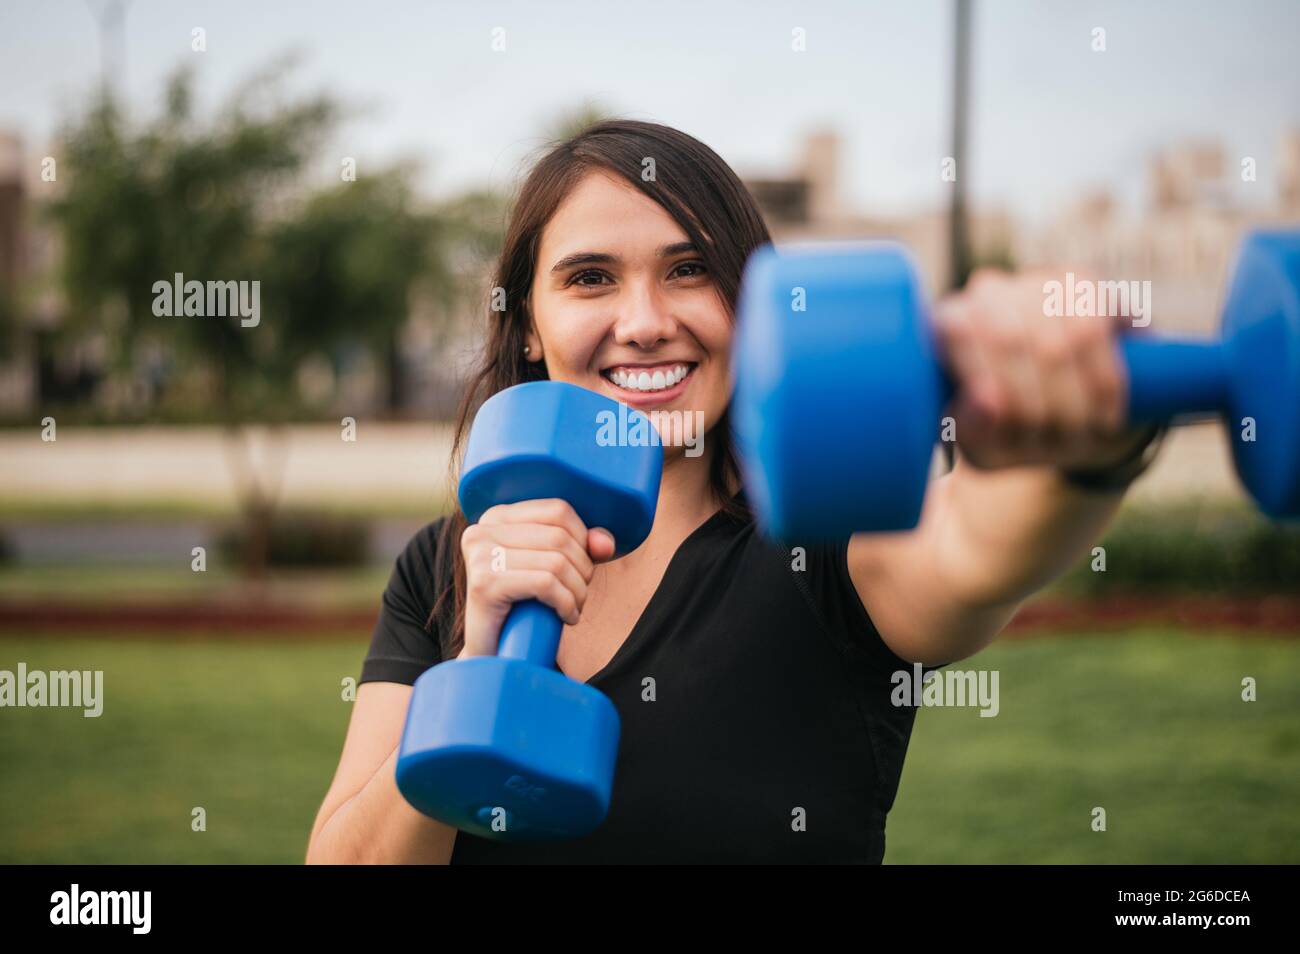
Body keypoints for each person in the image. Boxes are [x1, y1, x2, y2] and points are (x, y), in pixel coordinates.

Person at [305, 119, 1161, 864]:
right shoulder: (444, 567)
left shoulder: (827, 538)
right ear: (528, 323)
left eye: (688, 270)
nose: (643, 322)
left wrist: (1083, 444)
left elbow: (976, 548)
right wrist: (474, 673)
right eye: (590, 277)